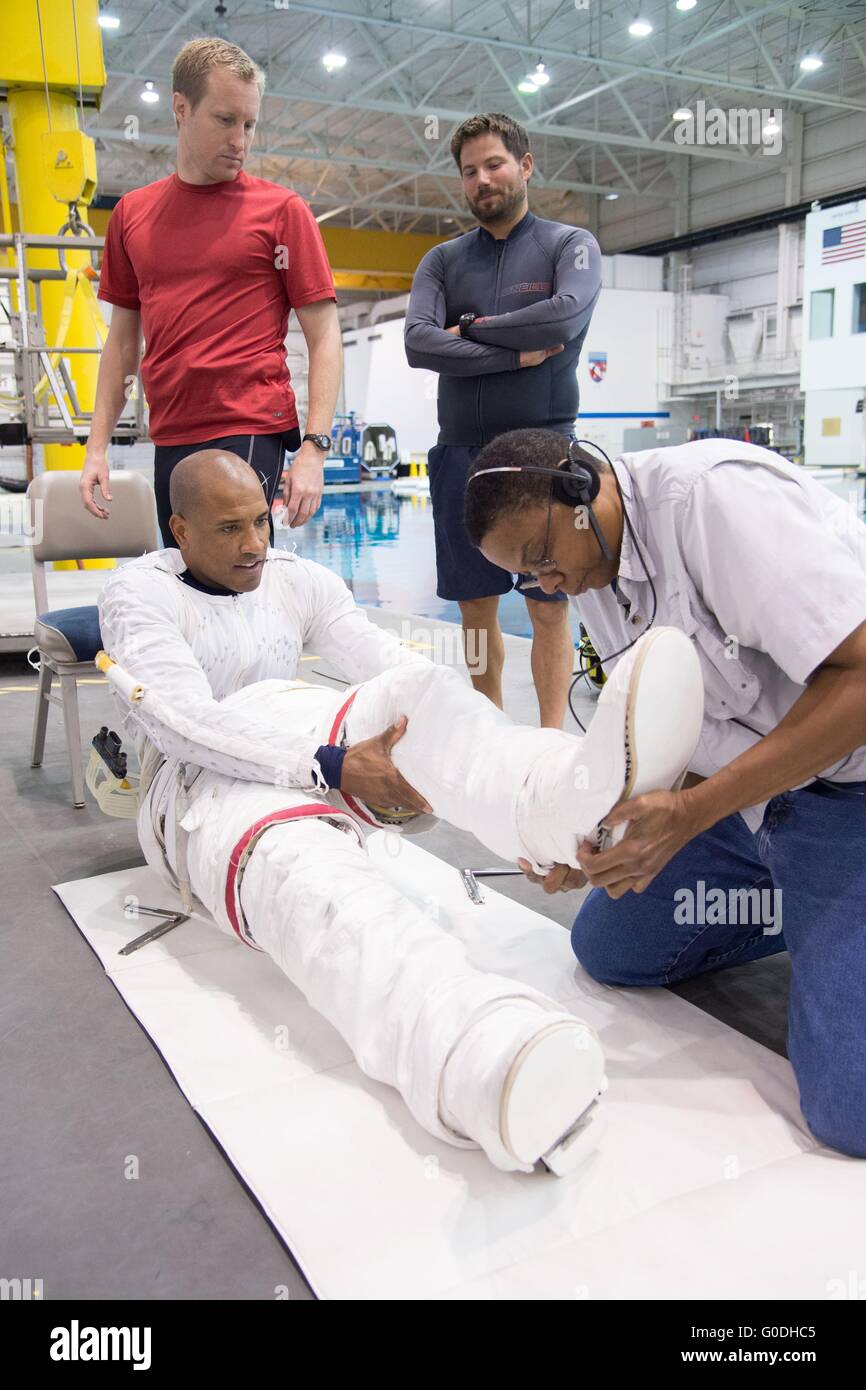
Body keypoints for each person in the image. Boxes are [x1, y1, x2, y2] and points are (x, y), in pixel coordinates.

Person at [97, 449, 705, 1176]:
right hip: (195, 786)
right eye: (231, 529)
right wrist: (327, 767)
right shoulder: (139, 595)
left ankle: (565, 801)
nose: (256, 543)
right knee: (310, 875)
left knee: (422, 693)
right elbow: (182, 723)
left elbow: (389, 663)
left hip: (297, 732)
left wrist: (446, 763)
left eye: (262, 521)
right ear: (181, 531)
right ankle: (475, 1054)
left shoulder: (295, 581)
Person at [464, 425, 866, 1158]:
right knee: (612, 947)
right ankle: (799, 907)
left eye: (544, 559)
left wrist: (690, 814)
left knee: (851, 1111)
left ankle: (824, 904)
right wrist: (585, 834)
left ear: (582, 491)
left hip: (851, 793)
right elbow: (669, 731)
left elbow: (861, 679)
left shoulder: (714, 503)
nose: (547, 586)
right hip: (752, 802)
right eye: (529, 579)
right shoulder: (591, 574)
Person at [80, 36, 341, 544]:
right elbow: (121, 342)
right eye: (225, 120)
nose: (240, 140)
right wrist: (96, 445)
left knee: (228, 580)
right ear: (181, 108)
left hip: (248, 419)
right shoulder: (132, 215)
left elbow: (325, 334)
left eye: (249, 124)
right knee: (184, 576)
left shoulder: (282, 212)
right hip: (172, 430)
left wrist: (315, 448)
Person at [405, 112, 602, 729]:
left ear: (525, 165)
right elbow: (418, 344)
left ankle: (549, 739)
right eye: (469, 171)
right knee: (474, 608)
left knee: (549, 603)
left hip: (544, 452)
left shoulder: (569, 245)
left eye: (493, 164)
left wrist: (471, 330)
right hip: (462, 451)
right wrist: (514, 353)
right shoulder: (442, 261)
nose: (482, 179)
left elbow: (563, 317)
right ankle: (487, 732)